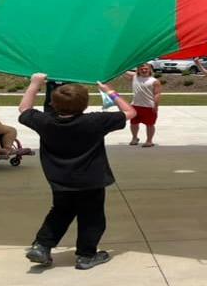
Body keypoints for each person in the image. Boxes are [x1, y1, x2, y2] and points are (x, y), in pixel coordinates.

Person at [18, 74, 136, 270]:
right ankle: (86, 255)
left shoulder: (45, 121)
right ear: (85, 104)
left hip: (59, 180)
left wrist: (35, 83)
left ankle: (42, 246)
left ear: (53, 104)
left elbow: (24, 109)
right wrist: (109, 91)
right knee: (92, 217)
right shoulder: (96, 121)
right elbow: (130, 112)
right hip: (91, 180)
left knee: (60, 212)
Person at [124, 63, 162, 148]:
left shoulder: (154, 81)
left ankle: (149, 141)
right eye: (141, 69)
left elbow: (157, 94)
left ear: (150, 70)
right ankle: (134, 138)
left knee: (150, 124)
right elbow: (123, 71)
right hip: (135, 105)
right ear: (138, 70)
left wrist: (156, 106)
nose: (144, 70)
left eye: (146, 69)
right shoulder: (135, 77)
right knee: (133, 123)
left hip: (149, 107)